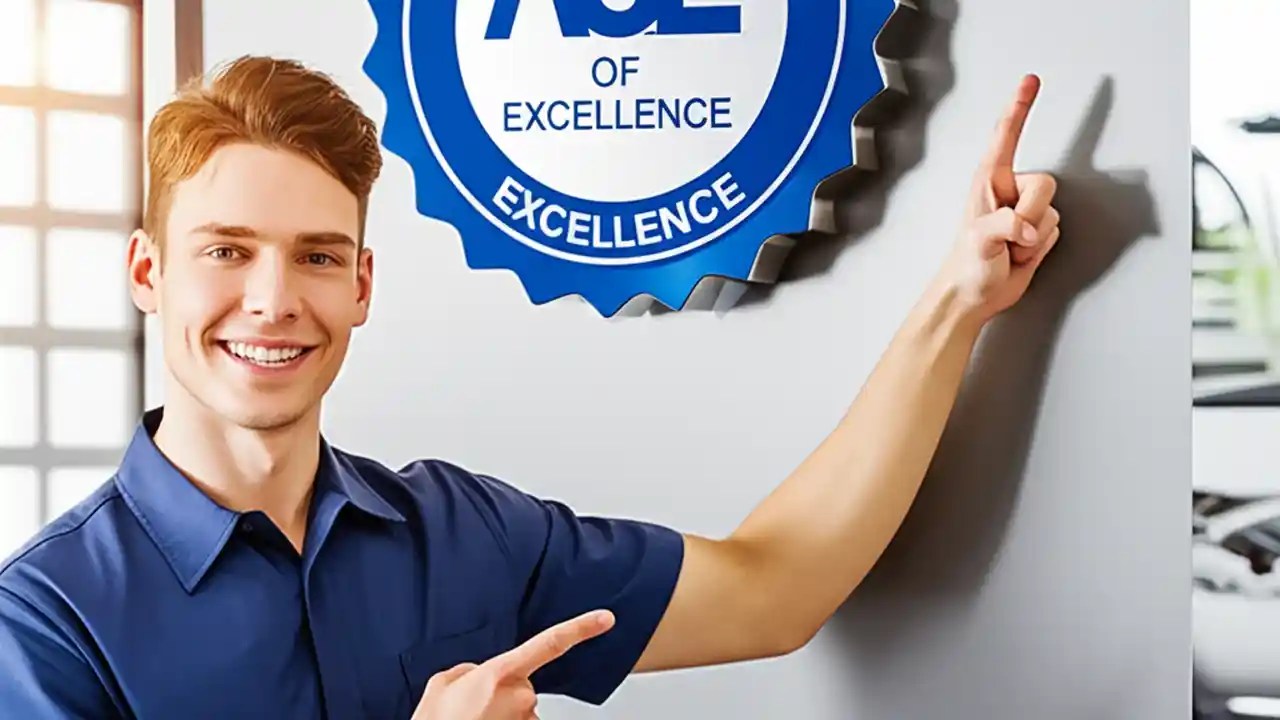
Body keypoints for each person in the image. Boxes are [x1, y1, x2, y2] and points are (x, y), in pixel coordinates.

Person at [0, 56, 1060, 720]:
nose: (274, 300)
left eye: (317, 256)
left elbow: (776, 590)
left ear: (362, 284)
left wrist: (955, 303)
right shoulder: (48, 622)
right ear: (148, 272)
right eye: (226, 252)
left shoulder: (459, 535)